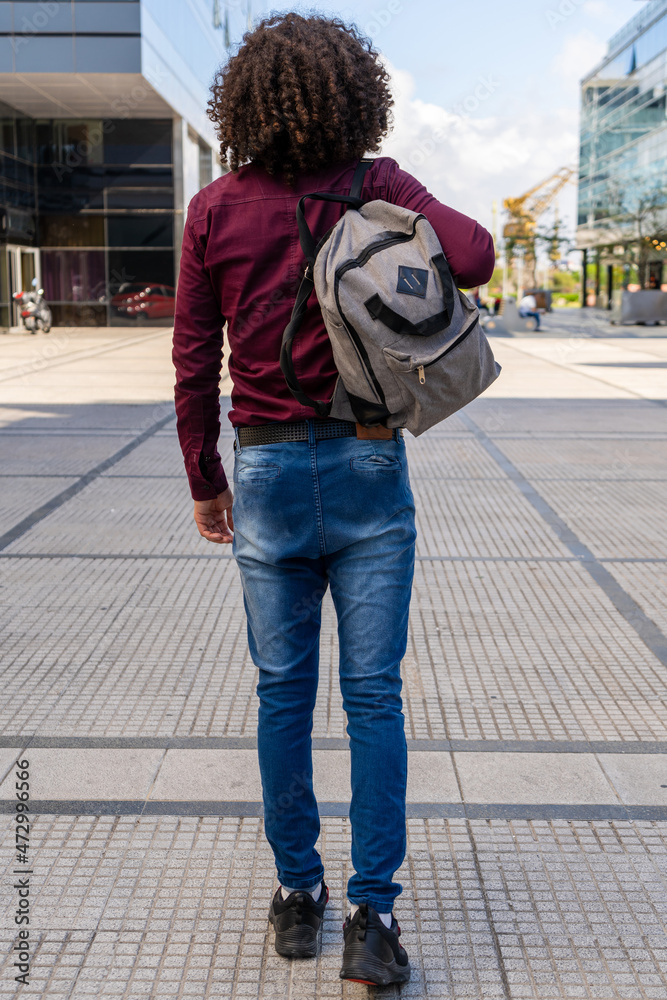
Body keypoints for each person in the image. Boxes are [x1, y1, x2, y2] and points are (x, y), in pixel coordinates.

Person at [172, 12, 494, 986]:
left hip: (264, 473)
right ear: (352, 95)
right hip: (364, 466)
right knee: (372, 698)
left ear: (244, 104)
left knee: (281, 695)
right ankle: (371, 916)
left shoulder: (215, 208)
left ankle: (296, 895)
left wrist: (205, 479)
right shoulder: (372, 184)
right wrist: (386, 192)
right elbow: (473, 256)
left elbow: (194, 362)